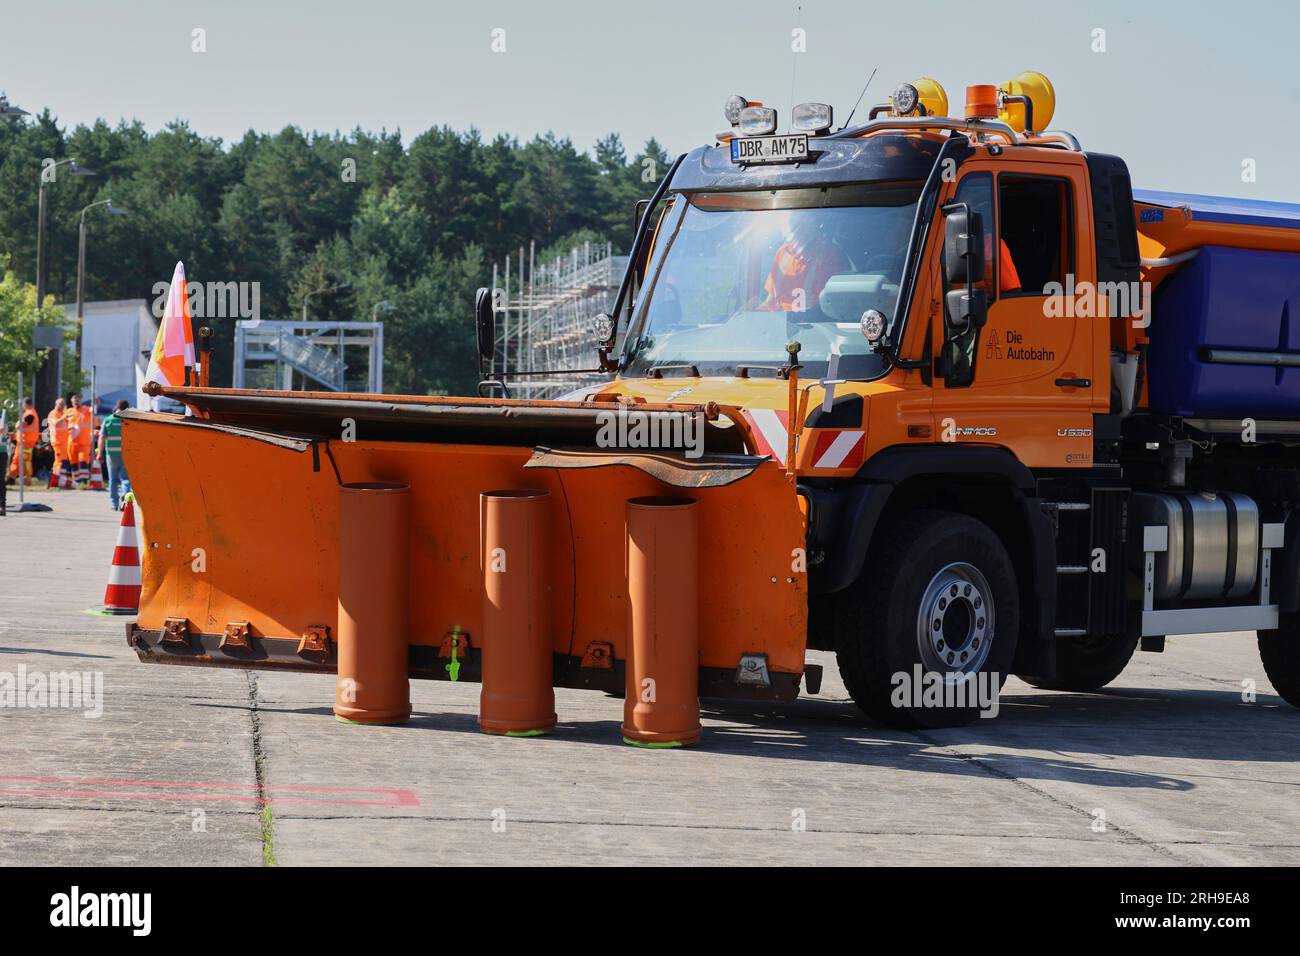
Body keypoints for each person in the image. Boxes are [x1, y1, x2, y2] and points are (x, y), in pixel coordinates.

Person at [758, 218, 852, 313]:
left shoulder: (831, 255)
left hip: (817, 325)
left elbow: (838, 307)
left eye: (804, 223)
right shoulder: (783, 252)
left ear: (816, 226)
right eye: (796, 223)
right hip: (782, 323)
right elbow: (771, 301)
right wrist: (754, 312)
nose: (799, 228)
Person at [97, 399, 132, 510]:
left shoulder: (108, 420)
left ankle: (114, 504)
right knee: (125, 479)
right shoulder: (128, 420)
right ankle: (125, 499)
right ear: (127, 408)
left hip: (111, 455)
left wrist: (99, 453)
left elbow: (102, 437)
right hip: (125, 454)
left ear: (117, 407)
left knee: (113, 480)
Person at [69, 392, 94, 485]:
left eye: (78, 400)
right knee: (73, 462)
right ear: (71, 402)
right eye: (74, 401)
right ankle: (76, 481)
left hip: (84, 442)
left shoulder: (86, 409)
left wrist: (95, 403)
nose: (76, 402)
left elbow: (93, 410)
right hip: (71, 443)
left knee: (83, 461)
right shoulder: (68, 412)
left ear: (81, 401)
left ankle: (84, 481)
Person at [46, 397, 70, 485]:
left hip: (64, 442)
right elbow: (55, 423)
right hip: (57, 441)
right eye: (61, 404)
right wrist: (64, 416)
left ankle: (60, 480)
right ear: (56, 404)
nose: (63, 406)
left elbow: (66, 425)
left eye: (64, 404)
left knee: (62, 461)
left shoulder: (62, 414)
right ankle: (55, 480)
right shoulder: (53, 413)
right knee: (59, 461)